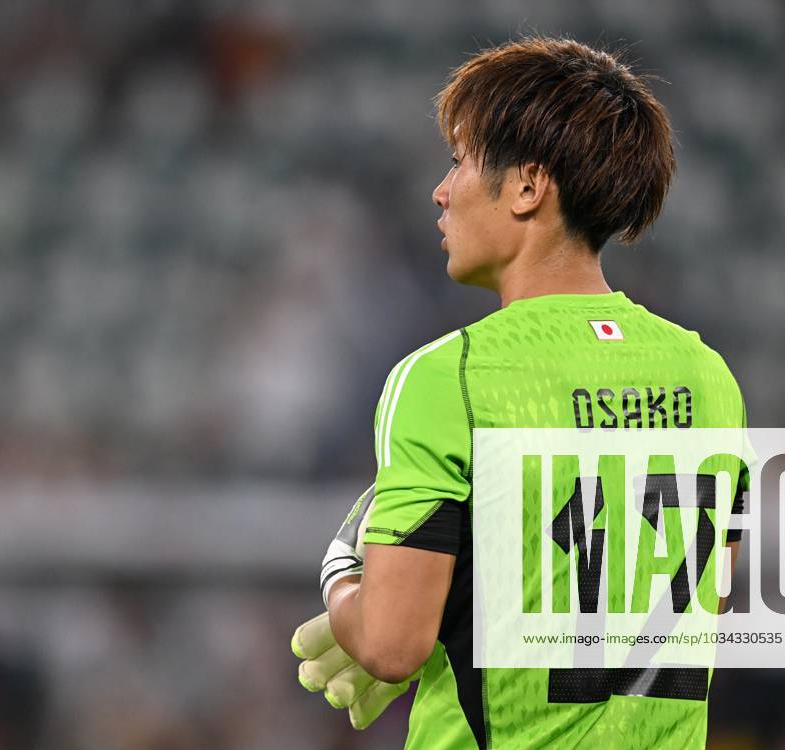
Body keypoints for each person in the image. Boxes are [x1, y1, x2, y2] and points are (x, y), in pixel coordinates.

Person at [317, 36, 746, 749]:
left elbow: (391, 647)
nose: (441, 190)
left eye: (460, 160)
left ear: (527, 186)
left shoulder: (448, 377)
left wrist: (342, 578)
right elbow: (705, 606)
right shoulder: (709, 377)